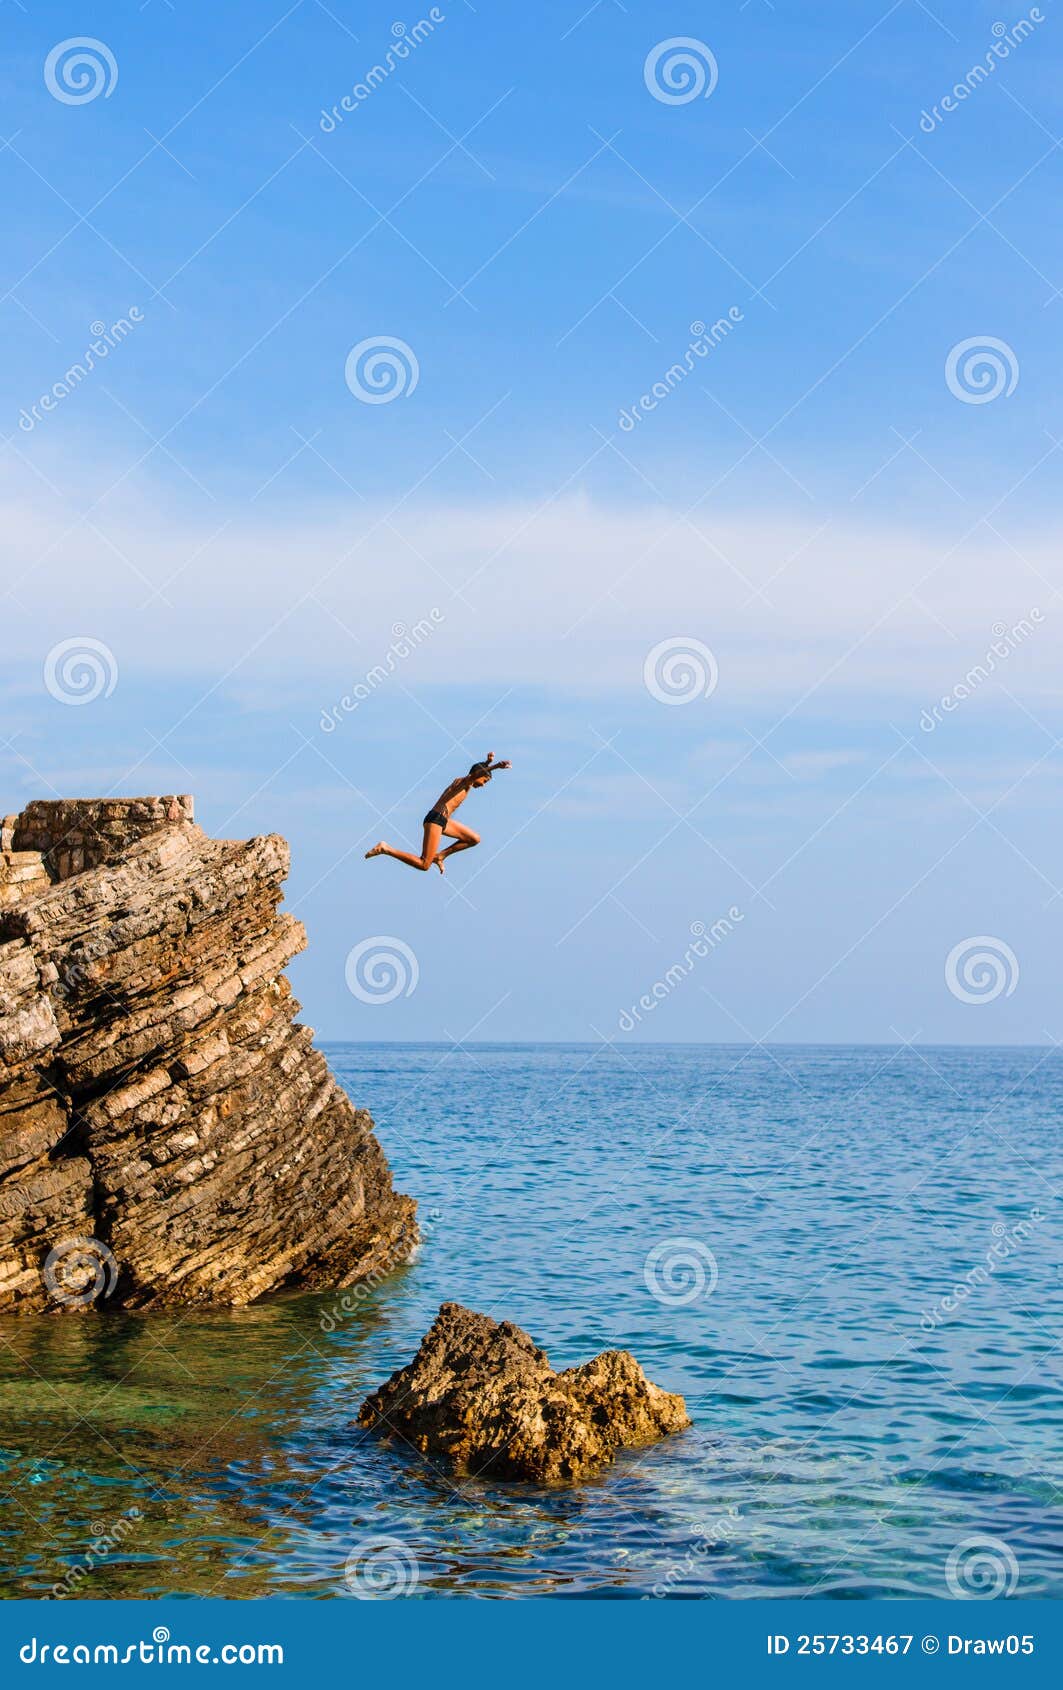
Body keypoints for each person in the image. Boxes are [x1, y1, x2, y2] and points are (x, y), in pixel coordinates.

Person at [365, 753, 511, 875]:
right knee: (424, 864)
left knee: (474, 839)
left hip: (444, 820)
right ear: (478, 775)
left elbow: (476, 771)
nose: (484, 785)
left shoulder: (467, 783)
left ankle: (440, 856)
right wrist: (496, 766)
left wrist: (486, 762)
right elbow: (474, 774)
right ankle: (386, 849)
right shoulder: (463, 781)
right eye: (485, 781)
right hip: (436, 819)